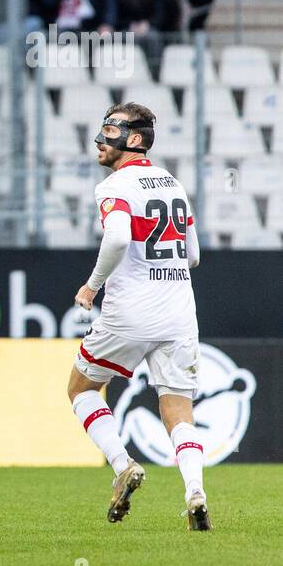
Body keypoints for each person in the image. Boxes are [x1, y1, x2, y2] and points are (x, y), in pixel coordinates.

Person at [68, 102, 209, 531]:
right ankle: (195, 492)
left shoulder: (115, 186)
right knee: (178, 411)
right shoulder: (173, 184)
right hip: (179, 311)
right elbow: (194, 256)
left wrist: (92, 286)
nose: (100, 138)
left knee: (81, 389)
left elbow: (116, 238)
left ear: (133, 139)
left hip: (131, 310)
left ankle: (123, 464)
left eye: (109, 129)